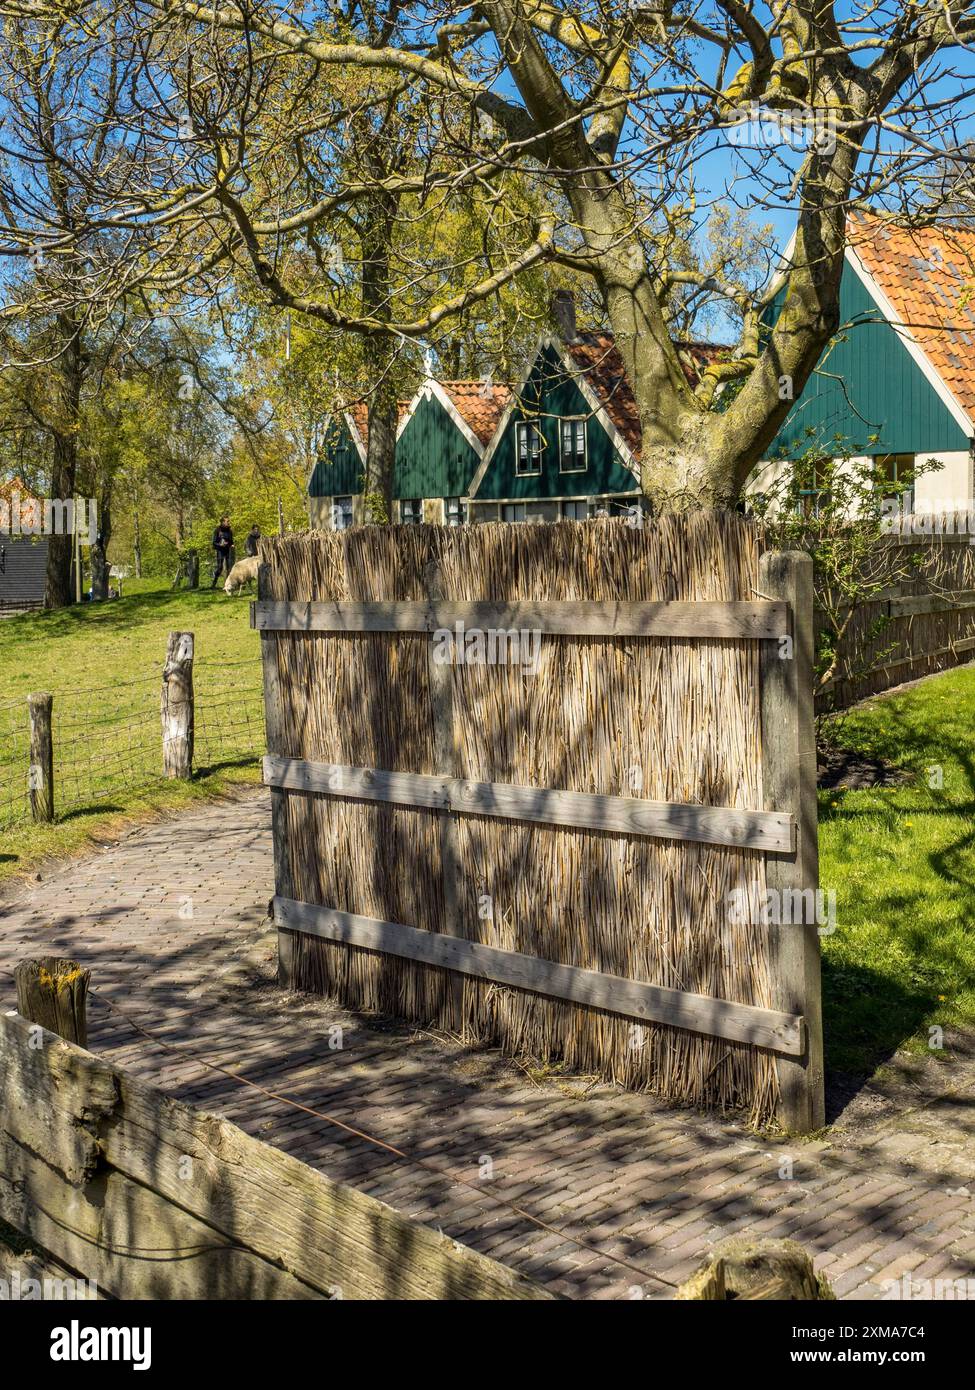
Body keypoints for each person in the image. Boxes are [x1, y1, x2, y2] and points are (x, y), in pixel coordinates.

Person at [210, 515, 234, 587]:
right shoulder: (217, 530)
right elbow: (214, 542)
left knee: (229, 567)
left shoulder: (230, 530)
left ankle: (228, 584)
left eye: (228, 521)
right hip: (220, 550)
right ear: (222, 522)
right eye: (227, 521)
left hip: (228, 550)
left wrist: (232, 544)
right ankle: (213, 583)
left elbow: (231, 541)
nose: (228, 522)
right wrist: (220, 544)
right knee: (220, 567)